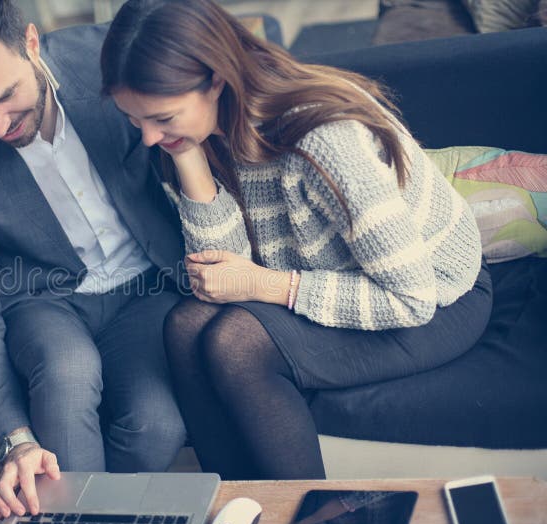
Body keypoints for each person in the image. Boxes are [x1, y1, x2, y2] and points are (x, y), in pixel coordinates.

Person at [100, 0, 492, 481]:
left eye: (162, 118)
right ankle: (240, 511)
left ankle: (310, 518)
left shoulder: (324, 139)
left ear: (216, 81)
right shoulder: (184, 134)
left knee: (235, 342)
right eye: (134, 119)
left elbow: (412, 300)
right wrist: (189, 159)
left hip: (437, 296)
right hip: (333, 282)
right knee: (185, 325)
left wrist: (266, 285)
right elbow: (225, 274)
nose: (146, 137)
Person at [0, 0, 187, 518]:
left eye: (6, 96)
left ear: (31, 44)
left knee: (157, 424)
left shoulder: (114, 59)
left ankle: (86, 522)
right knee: (67, 373)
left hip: (146, 286)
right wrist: (14, 441)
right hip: (44, 299)